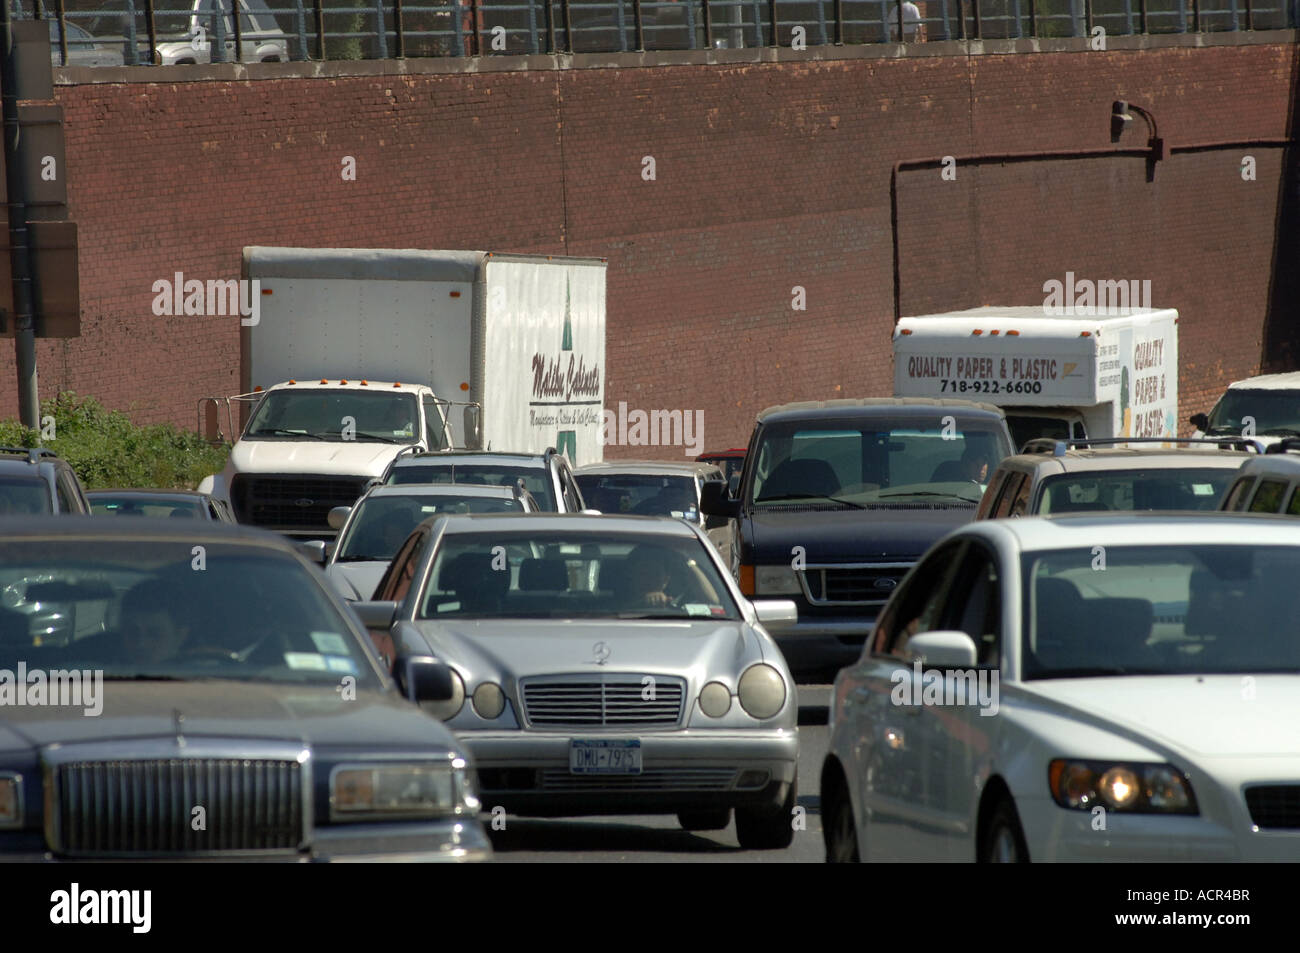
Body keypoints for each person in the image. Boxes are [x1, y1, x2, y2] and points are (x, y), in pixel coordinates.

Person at [118, 580, 193, 666]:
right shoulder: (102, 674)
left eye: (154, 634)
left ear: (180, 636)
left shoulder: (201, 675)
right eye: (132, 632)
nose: (141, 643)